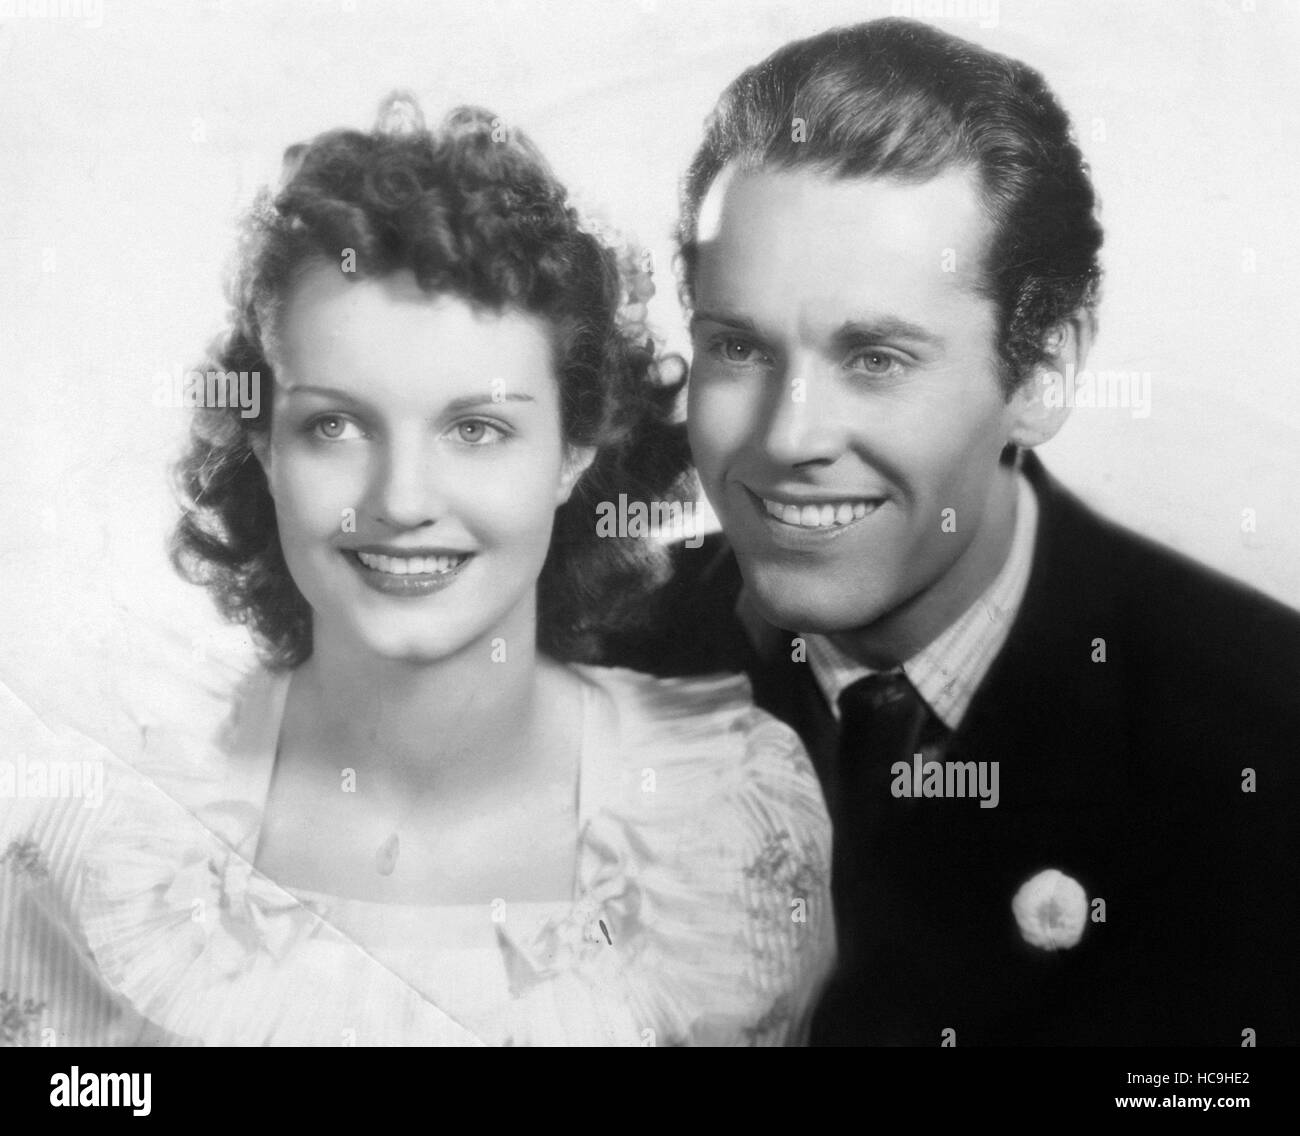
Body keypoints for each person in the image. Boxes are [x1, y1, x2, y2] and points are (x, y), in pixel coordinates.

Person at [0, 97, 833, 1046]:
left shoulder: (724, 821)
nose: (401, 499)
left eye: (476, 429)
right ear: (266, 449)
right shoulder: (111, 842)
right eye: (335, 425)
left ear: (574, 451)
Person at [608, 18, 1300, 1046]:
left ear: (1041, 372)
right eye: (738, 347)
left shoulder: (1262, 727)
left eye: (877, 358)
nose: (787, 437)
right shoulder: (586, 664)